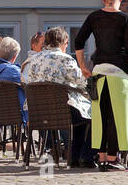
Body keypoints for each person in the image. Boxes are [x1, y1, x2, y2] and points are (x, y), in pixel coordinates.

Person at [74, 0, 128, 170]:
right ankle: (112, 158)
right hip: (118, 73)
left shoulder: (94, 17)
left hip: (99, 72)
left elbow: (79, 41)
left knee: (101, 116)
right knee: (116, 117)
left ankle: (101, 157)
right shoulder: (126, 19)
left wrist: (83, 66)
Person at [22, 27, 94, 167]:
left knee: (83, 116)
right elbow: (82, 83)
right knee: (93, 115)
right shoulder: (65, 59)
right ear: (63, 42)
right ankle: (85, 156)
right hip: (62, 112)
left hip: (39, 112)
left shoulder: (33, 60)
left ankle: (74, 157)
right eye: (67, 44)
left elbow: (29, 83)